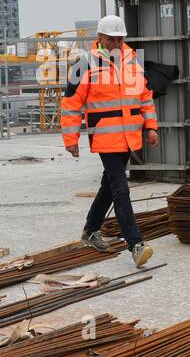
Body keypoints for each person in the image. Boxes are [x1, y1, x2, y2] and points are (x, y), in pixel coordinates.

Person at [61, 14, 158, 267]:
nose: (116, 42)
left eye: (119, 38)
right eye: (111, 38)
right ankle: (135, 244)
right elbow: (71, 104)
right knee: (120, 188)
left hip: (129, 136)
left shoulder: (133, 61)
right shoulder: (84, 63)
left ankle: (91, 230)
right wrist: (70, 139)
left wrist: (151, 126)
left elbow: (145, 96)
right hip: (105, 137)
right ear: (100, 38)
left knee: (109, 185)